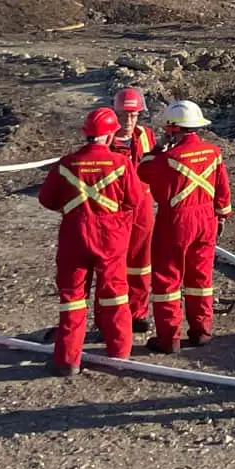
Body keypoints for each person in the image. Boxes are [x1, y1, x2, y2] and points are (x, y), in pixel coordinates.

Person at [38, 107, 150, 375]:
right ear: (110, 135)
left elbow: (46, 199)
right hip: (110, 237)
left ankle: (68, 360)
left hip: (74, 236)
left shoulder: (66, 163)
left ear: (86, 133)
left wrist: (74, 207)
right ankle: (119, 352)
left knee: (73, 297)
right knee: (115, 293)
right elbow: (134, 200)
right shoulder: (120, 164)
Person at [138, 100, 232, 352]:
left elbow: (142, 170)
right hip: (207, 219)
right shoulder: (213, 152)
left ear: (172, 128)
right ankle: (201, 331)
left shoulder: (167, 158)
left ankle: (169, 338)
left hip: (176, 221)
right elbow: (222, 188)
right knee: (200, 277)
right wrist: (222, 215)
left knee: (167, 279)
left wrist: (158, 147)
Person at [113, 88, 158, 334]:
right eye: (123, 115)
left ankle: (138, 312)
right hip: (116, 207)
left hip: (142, 205)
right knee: (113, 262)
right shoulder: (106, 139)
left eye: (133, 115)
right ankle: (113, 314)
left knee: (142, 261)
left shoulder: (146, 135)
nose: (128, 121)